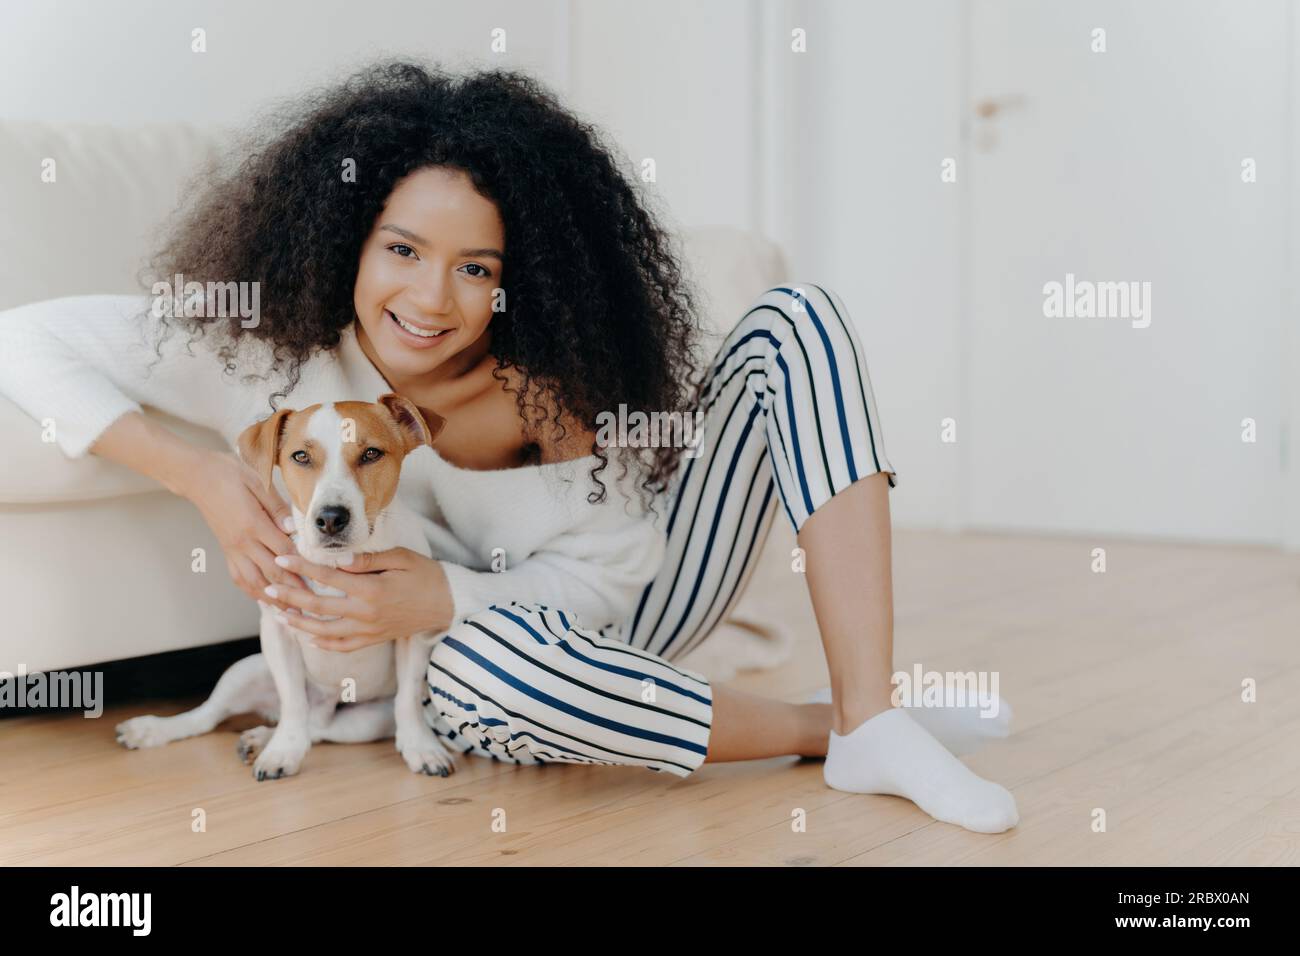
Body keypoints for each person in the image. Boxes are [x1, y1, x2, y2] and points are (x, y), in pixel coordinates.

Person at [0, 62, 1017, 833]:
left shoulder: (557, 377)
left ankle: (873, 709)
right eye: (401, 249)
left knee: (794, 318)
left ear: (515, 275)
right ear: (346, 236)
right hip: (493, 663)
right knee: (490, 679)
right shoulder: (263, 356)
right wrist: (207, 478)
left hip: (638, 600)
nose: (431, 300)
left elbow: (616, 580)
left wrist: (446, 595)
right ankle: (822, 731)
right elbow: (21, 337)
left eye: (474, 266)